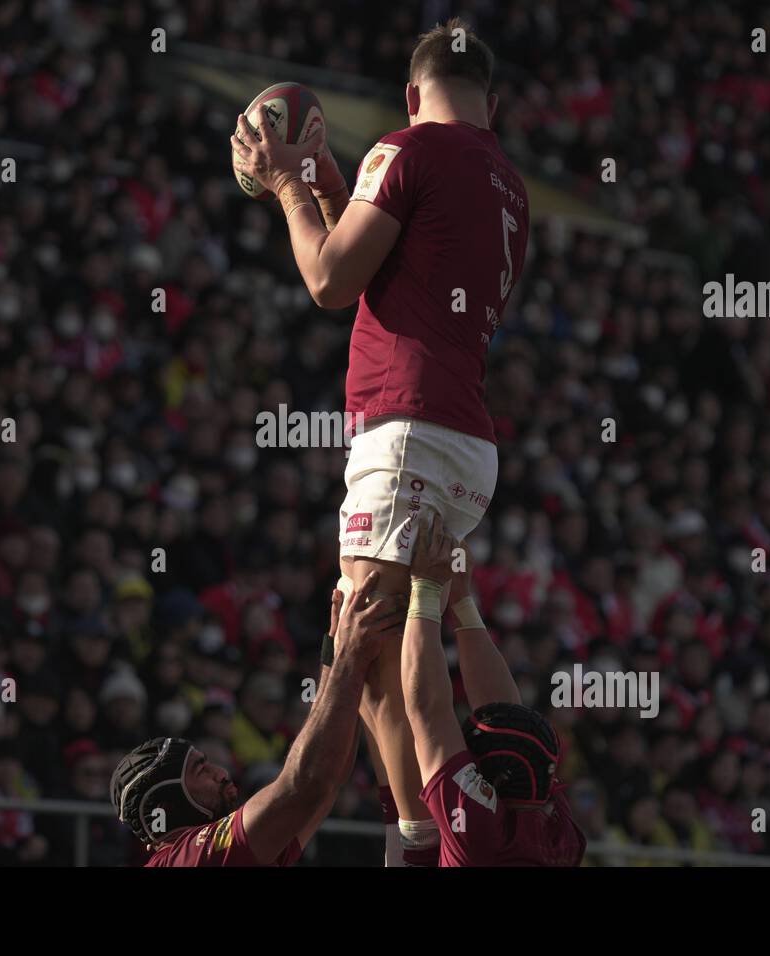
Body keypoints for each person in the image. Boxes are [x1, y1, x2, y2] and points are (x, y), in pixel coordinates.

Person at [231, 17, 528, 860]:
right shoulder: (508, 181)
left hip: (409, 427)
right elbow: (397, 269)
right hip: (461, 436)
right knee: (371, 657)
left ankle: (419, 842)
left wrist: (288, 184)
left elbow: (330, 279)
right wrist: (327, 180)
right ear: (492, 105)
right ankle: (417, 836)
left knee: (364, 648)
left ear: (408, 95)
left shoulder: (405, 151)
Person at [110, 572, 400, 866]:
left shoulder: (223, 853)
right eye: (201, 771)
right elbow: (306, 782)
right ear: (168, 803)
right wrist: (348, 658)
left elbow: (326, 783)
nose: (221, 772)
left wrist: (336, 653)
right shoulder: (184, 858)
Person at [399, 514, 586, 866]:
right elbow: (505, 719)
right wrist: (460, 600)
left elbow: (428, 710)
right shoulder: (559, 835)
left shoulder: (485, 833)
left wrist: (425, 587)